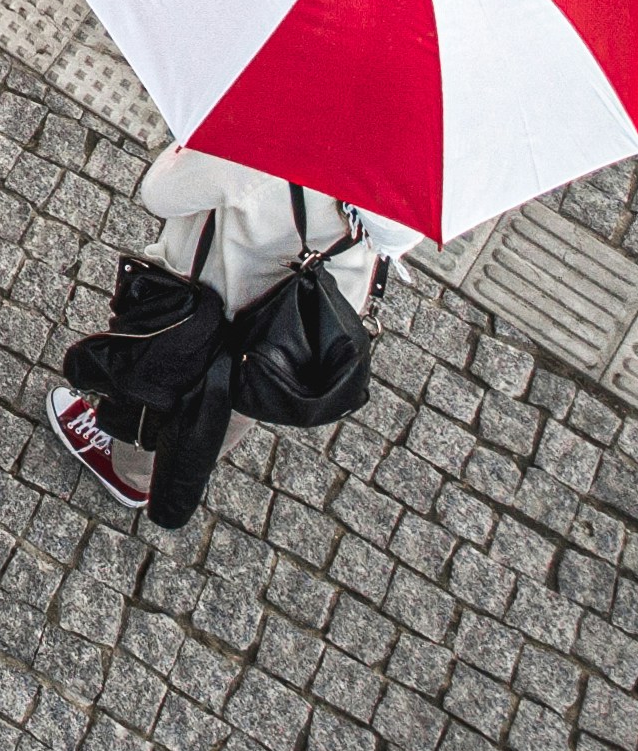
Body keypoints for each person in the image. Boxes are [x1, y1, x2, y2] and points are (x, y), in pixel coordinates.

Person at [48, 144, 422, 526]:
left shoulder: (269, 145)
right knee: (237, 403)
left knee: (158, 394)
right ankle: (189, 453)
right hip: (289, 333)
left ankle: (129, 473)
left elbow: (160, 193)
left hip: (205, 313)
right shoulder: (414, 178)